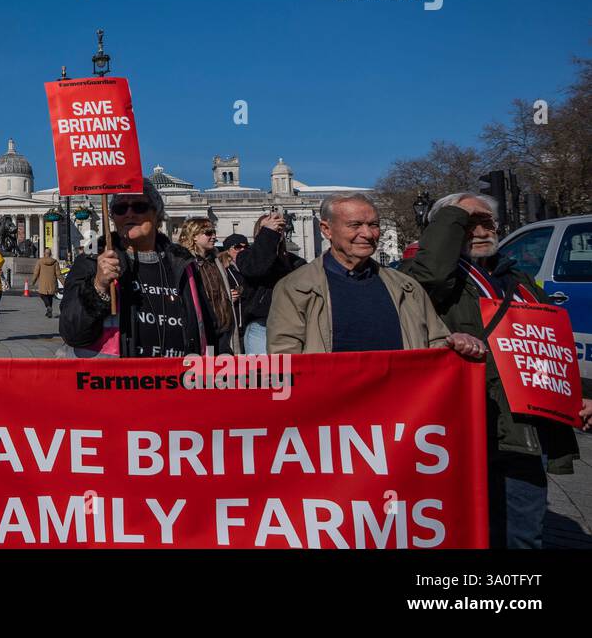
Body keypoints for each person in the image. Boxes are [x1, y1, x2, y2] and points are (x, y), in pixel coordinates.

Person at [401, 192, 580, 548]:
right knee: (473, 530)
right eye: (467, 225)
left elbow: (553, 348)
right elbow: (432, 275)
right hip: (471, 422)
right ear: (445, 230)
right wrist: (452, 215)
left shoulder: (519, 281)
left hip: (525, 428)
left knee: (525, 533)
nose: (482, 231)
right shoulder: (426, 281)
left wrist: (577, 399)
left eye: (487, 222)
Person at [267, 193, 485, 360]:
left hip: (401, 411)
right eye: (355, 225)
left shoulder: (406, 287)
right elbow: (286, 359)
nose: (368, 234)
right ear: (326, 229)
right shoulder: (295, 287)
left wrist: (454, 343)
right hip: (333, 413)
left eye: (373, 225)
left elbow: (435, 343)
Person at [60, 180, 220, 358]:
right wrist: (98, 286)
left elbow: (208, 327)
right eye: (121, 209)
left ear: (157, 214)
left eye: (139, 206)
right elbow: (72, 332)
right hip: (119, 381)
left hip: (179, 379)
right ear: (113, 217)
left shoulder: (183, 264)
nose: (129, 214)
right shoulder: (92, 260)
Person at [236, 212, 306, 354]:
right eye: (269, 229)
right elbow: (256, 268)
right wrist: (267, 233)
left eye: (278, 229)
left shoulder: (295, 262)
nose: (275, 232)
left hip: (292, 324)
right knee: (263, 373)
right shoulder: (246, 257)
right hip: (262, 325)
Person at [177, 217, 237, 354]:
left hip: (223, 325)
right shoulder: (185, 262)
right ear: (194, 236)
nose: (214, 237)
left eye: (213, 232)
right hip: (202, 328)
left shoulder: (215, 261)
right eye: (208, 233)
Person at [30, 249, 60, 318]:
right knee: (50, 297)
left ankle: (48, 307)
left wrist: (33, 282)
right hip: (52, 282)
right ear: (51, 254)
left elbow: (36, 273)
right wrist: (64, 283)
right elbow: (59, 274)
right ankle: (49, 312)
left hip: (43, 283)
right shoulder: (55, 262)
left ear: (44, 253)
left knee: (42, 295)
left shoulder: (40, 261)